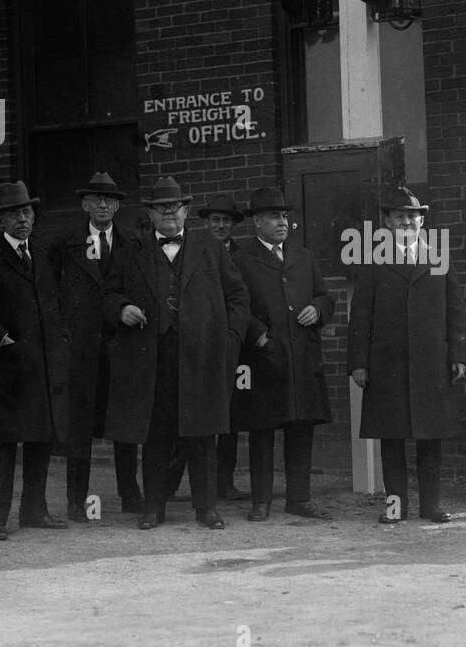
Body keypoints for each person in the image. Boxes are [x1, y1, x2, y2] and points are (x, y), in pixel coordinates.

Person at [102, 177, 249, 531]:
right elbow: (107, 296)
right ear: (150, 214)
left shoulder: (210, 248)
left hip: (201, 358)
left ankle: (206, 508)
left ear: (186, 211)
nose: (169, 212)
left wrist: (228, 340)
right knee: (155, 435)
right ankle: (153, 508)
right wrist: (121, 309)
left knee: (202, 435)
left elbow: (238, 298)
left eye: (175, 206)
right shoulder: (131, 251)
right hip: (152, 359)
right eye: (161, 207)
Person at [0, 181, 69, 541]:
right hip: (7, 370)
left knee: (40, 440)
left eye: (27, 212)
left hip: (41, 369)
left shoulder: (41, 254)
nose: (22, 219)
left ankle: (35, 511)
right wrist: (1, 339)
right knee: (2, 446)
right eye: (13, 214)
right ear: (1, 221)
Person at [348, 187, 466, 524]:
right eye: (399, 216)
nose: (406, 222)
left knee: (430, 438)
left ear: (422, 221)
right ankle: (395, 508)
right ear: (387, 222)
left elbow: (456, 309)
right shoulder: (373, 261)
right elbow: (361, 316)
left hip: (431, 363)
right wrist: (358, 362)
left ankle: (431, 505)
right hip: (388, 364)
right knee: (392, 438)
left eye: (412, 217)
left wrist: (458, 354)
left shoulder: (438, 257)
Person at [231, 186, 335, 522]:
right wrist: (259, 337)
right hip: (264, 358)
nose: (282, 222)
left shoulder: (302, 256)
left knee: (301, 427)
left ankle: (298, 499)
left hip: (302, 355)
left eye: (285, 216)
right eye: (274, 216)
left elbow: (325, 296)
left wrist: (317, 310)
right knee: (262, 429)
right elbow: (236, 306)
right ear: (257, 222)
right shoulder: (241, 259)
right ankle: (261, 500)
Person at [46, 171, 142, 520]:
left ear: (117, 206)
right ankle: (76, 499)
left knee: (124, 422)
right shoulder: (64, 245)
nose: (103, 204)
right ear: (85, 205)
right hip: (80, 349)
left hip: (121, 346)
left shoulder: (134, 243)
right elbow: (52, 296)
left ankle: (130, 493)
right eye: (96, 199)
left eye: (110, 199)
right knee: (79, 424)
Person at [197, 192, 249, 503]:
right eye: (215, 220)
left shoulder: (242, 255)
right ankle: (177, 482)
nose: (220, 225)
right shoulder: (195, 251)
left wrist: (234, 335)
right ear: (205, 222)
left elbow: (243, 298)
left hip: (234, 346)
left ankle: (224, 482)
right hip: (202, 345)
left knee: (230, 415)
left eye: (225, 221)